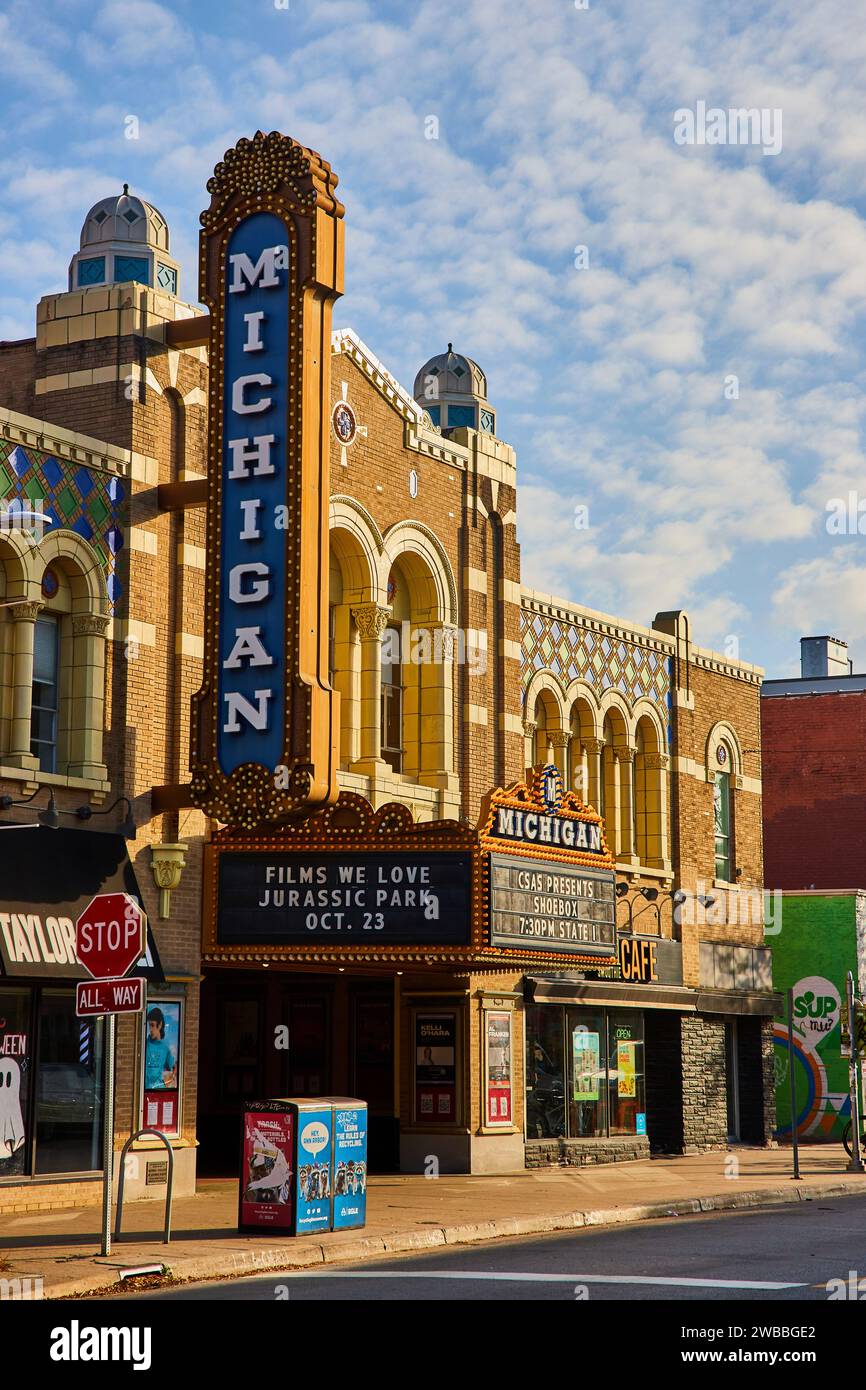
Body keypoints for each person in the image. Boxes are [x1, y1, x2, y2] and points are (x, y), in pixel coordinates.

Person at [144, 1008, 177, 1090]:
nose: (150, 1029)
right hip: (145, 1090)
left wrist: (167, 1083)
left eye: (152, 1025)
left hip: (159, 1090)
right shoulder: (145, 1044)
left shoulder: (165, 1048)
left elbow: (174, 1067)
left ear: (160, 1025)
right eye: (149, 1025)